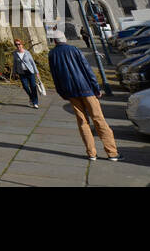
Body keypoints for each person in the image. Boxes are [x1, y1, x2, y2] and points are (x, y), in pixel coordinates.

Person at [48, 33, 118, 162]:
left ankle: (91, 153)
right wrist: (96, 88)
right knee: (99, 119)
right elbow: (87, 70)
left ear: (54, 41)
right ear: (65, 39)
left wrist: (62, 92)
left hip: (70, 92)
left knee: (83, 122)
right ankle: (112, 152)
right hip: (86, 89)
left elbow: (55, 76)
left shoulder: (52, 54)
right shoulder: (74, 50)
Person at [12, 38, 40, 108]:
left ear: (22, 44)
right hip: (21, 73)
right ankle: (31, 97)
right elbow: (14, 63)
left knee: (33, 87)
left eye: (19, 44)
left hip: (30, 72)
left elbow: (32, 62)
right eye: (16, 45)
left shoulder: (27, 53)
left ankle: (35, 102)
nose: (18, 46)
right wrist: (14, 72)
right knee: (25, 86)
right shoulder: (15, 53)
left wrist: (37, 72)